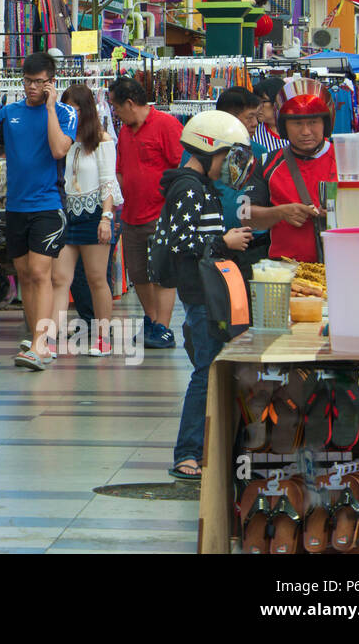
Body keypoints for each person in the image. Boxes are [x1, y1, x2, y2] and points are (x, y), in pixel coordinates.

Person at [158, 111, 255, 481]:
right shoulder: (188, 188)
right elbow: (182, 243)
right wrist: (222, 241)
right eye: (230, 156)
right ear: (209, 150)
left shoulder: (202, 188)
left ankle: (207, 447)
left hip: (209, 293)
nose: (233, 165)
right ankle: (188, 452)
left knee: (212, 368)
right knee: (206, 371)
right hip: (199, 295)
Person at [0, 52, 76, 370]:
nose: (32, 87)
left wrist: (48, 108)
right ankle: (35, 339)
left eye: (39, 82)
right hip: (15, 207)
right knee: (26, 276)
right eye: (28, 81)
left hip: (48, 206)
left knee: (41, 273)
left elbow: (59, 149)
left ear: (51, 83)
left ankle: (42, 342)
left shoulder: (65, 113)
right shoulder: (8, 114)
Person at [108, 75, 183, 349]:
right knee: (139, 274)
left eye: (116, 107)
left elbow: (181, 169)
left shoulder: (166, 125)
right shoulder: (126, 132)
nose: (115, 113)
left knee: (162, 274)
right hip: (131, 215)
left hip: (160, 214)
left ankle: (163, 326)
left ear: (129, 103)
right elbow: (121, 168)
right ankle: (152, 321)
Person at [49, 85, 122, 356]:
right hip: (66, 214)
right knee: (60, 279)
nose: (74, 114)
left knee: (96, 279)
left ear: (88, 110)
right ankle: (52, 338)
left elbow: (108, 181)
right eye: (68, 108)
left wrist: (106, 217)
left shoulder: (103, 139)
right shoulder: (61, 140)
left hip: (94, 214)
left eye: (78, 108)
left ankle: (103, 338)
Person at [241, 79, 336, 265]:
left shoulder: (346, 161)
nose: (306, 131)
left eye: (313, 122)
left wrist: (341, 213)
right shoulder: (266, 162)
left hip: (341, 267)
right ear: (283, 125)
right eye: (297, 123)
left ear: (326, 123)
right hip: (285, 270)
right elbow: (245, 216)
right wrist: (280, 213)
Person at [212, 88, 270, 272]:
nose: (255, 123)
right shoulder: (203, 152)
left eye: (256, 117)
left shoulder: (260, 152)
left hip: (254, 245)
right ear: (230, 118)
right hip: (216, 244)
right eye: (250, 117)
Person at [251, 76, 287, 156]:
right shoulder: (253, 133)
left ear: (278, 102)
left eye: (263, 101)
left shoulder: (295, 131)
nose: (258, 107)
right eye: (256, 101)